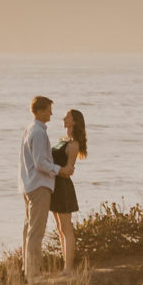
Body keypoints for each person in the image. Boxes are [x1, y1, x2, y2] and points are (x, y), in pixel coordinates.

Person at [19, 95, 68, 281]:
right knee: (36, 230)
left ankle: (28, 270)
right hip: (38, 184)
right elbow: (40, 162)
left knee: (29, 229)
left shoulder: (29, 130)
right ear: (39, 111)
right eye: (48, 109)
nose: (51, 113)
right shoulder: (38, 132)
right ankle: (33, 273)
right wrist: (59, 170)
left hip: (28, 184)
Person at [50, 108, 87, 272]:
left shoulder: (73, 144)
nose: (64, 117)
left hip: (63, 187)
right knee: (59, 228)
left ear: (74, 121)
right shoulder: (61, 140)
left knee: (66, 227)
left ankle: (68, 267)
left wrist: (55, 170)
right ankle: (64, 264)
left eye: (68, 116)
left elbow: (68, 169)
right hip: (54, 185)